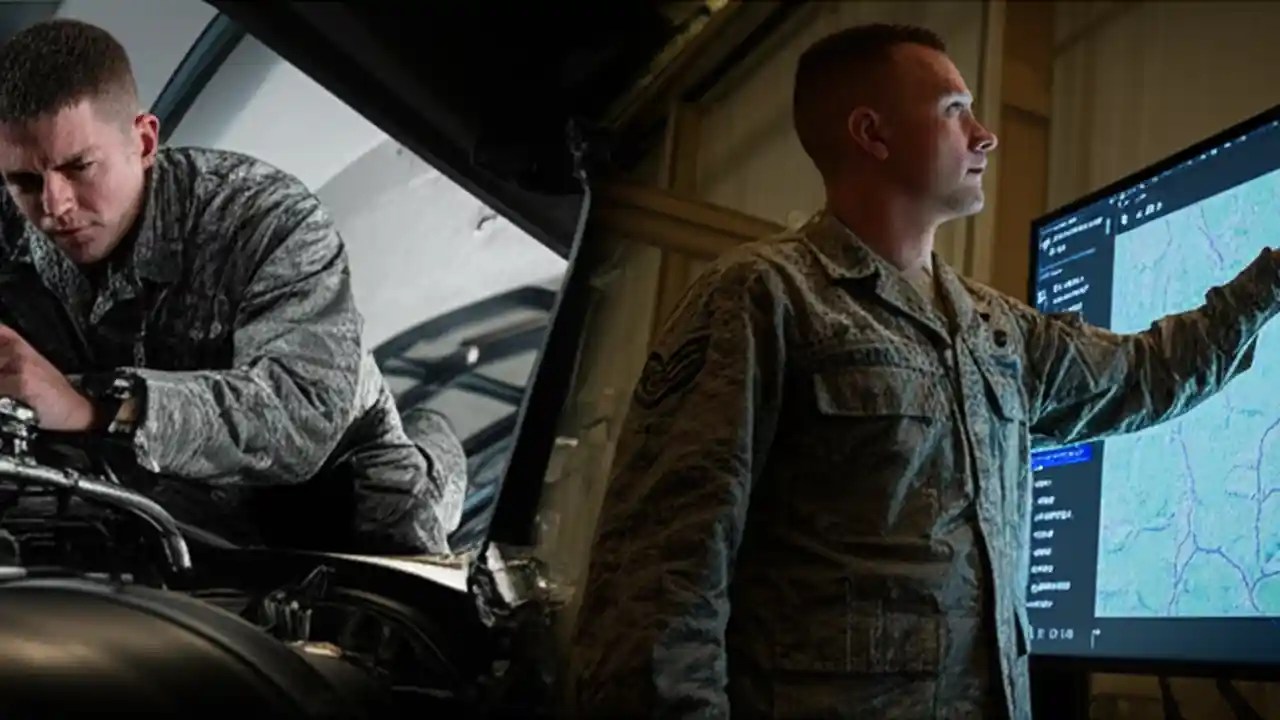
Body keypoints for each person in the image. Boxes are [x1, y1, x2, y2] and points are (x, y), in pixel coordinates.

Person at [569, 23, 1280, 719]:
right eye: (953, 110)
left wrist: (1269, 280)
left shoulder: (995, 330)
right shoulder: (762, 298)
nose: (985, 134)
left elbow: (1147, 372)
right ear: (872, 134)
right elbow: (657, 583)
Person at [0, 18, 467, 555]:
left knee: (409, 519)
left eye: (80, 167)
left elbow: (303, 415)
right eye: (25, 182)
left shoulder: (267, 219)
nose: (54, 206)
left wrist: (97, 407)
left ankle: (437, 450)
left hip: (338, 489)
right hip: (164, 513)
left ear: (144, 141)